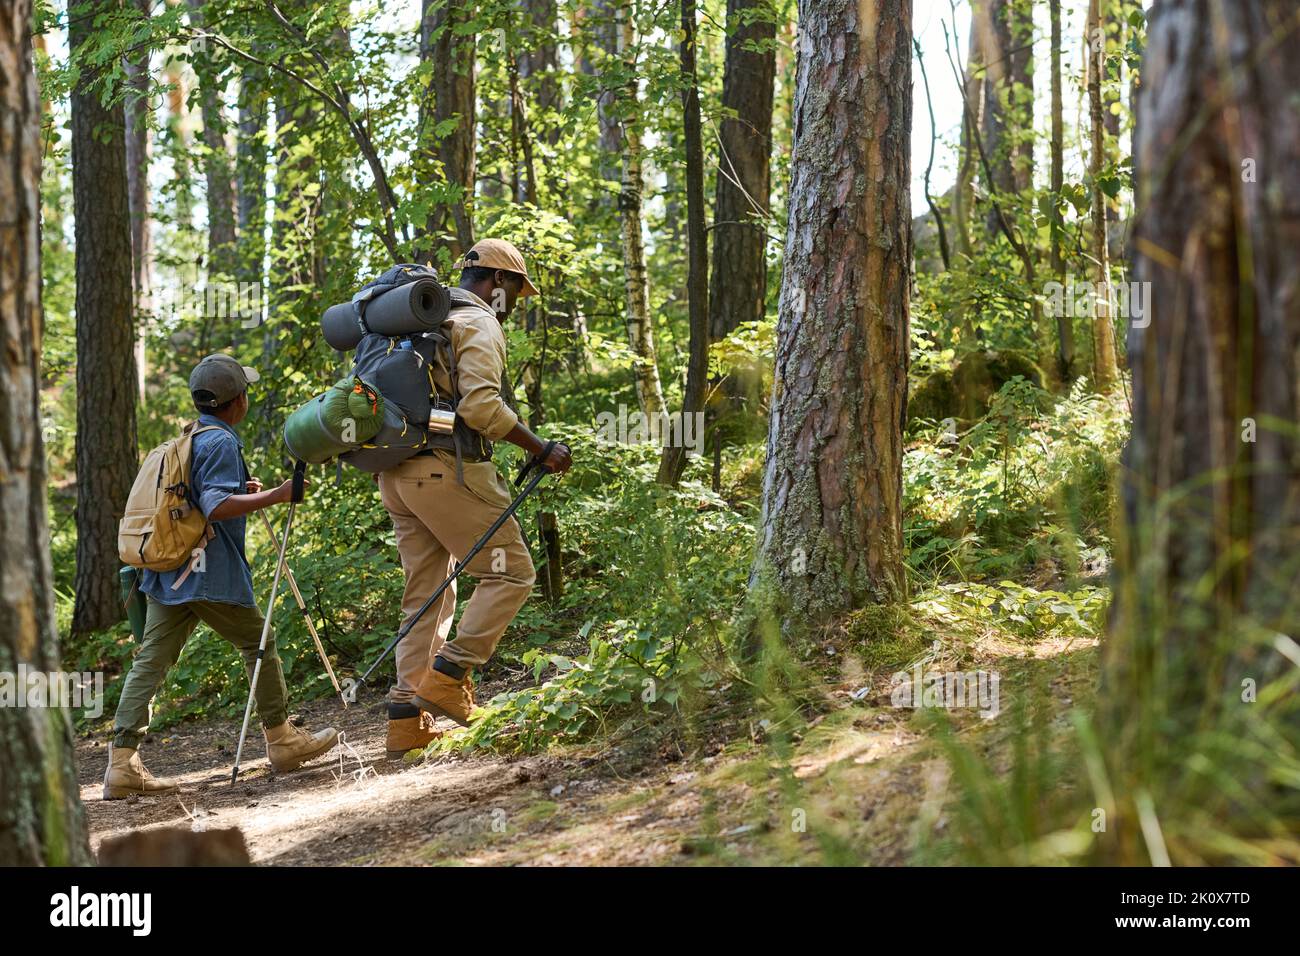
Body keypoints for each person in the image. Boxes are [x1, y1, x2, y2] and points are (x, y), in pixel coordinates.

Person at [103, 354, 339, 799]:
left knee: (150, 662)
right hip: (206, 572)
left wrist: (242, 493)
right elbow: (212, 504)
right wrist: (275, 495)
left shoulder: (191, 438)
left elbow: (201, 496)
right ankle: (283, 741)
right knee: (260, 642)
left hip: (169, 572)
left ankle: (121, 764)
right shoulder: (222, 443)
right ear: (237, 402)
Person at [379, 239, 571, 758]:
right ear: (499, 282)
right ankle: (448, 676)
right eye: (517, 291)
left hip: (395, 472)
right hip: (444, 469)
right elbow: (482, 408)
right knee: (511, 573)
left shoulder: (422, 318)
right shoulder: (479, 322)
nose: (517, 302)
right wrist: (541, 447)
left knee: (426, 593)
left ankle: (405, 718)